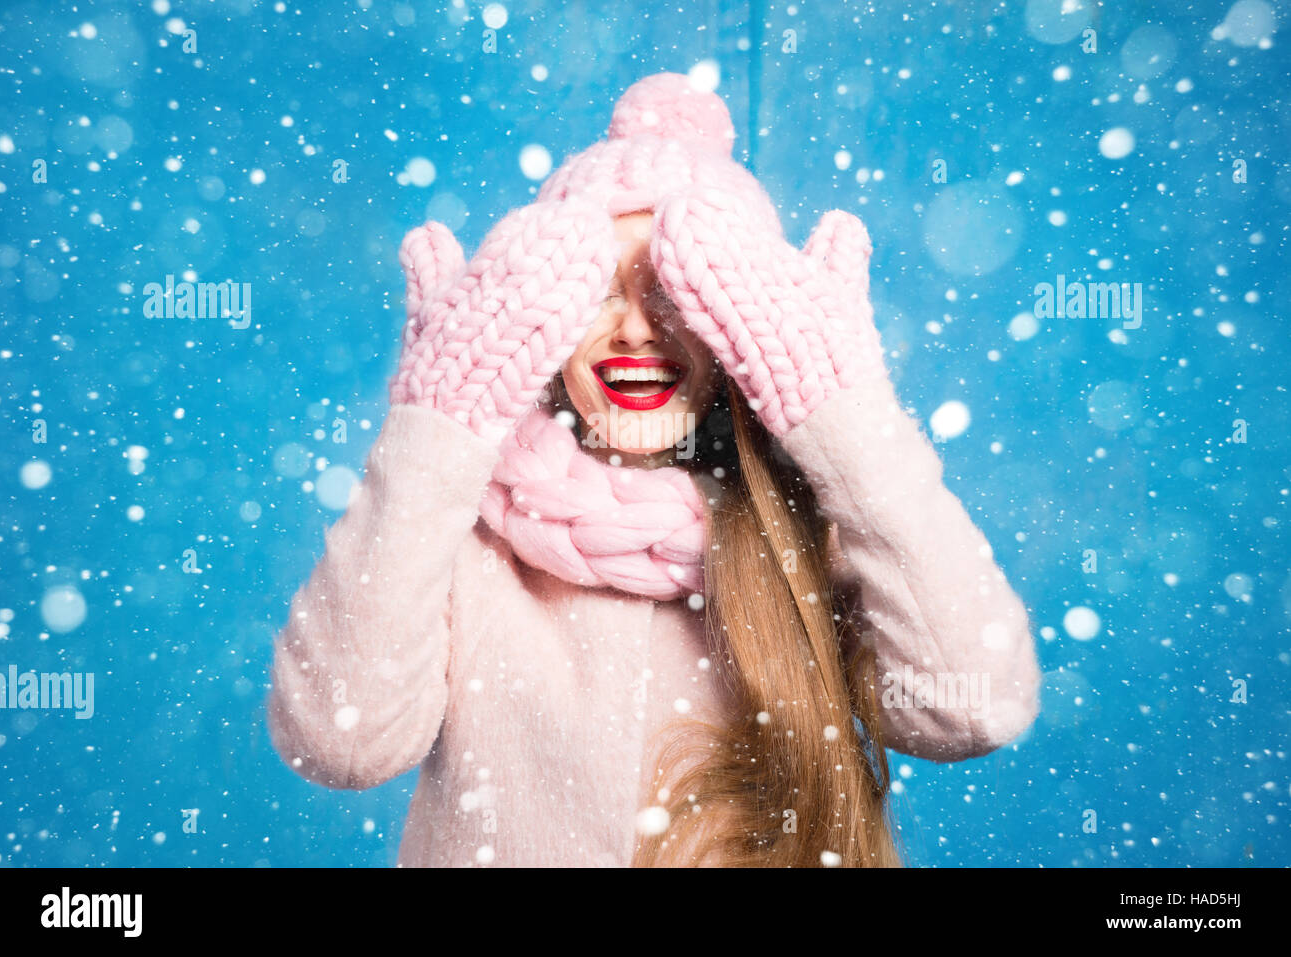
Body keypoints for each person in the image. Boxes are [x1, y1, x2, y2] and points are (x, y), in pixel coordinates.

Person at [265, 72, 1041, 868]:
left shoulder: (823, 533)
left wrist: (848, 413)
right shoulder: (464, 538)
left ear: (745, 324)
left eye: (679, 292)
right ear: (543, 314)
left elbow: (974, 710)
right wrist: (434, 426)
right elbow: (339, 742)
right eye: (597, 291)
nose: (637, 329)